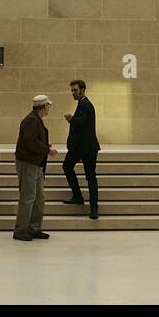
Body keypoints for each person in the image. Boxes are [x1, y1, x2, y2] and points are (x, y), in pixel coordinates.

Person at [13, 95, 57, 241]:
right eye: (48, 106)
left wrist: (45, 145)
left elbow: (33, 140)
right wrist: (47, 150)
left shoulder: (35, 120)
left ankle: (34, 228)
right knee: (28, 197)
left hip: (35, 164)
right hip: (28, 164)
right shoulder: (31, 120)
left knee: (39, 198)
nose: (49, 108)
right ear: (44, 107)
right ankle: (20, 230)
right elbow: (31, 142)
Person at [62, 79, 101, 219]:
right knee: (89, 176)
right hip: (87, 147)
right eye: (72, 90)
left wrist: (70, 119)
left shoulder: (85, 105)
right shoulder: (84, 104)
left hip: (84, 148)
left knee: (71, 168)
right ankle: (90, 206)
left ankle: (85, 201)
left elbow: (80, 123)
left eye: (75, 90)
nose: (73, 93)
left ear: (83, 90)